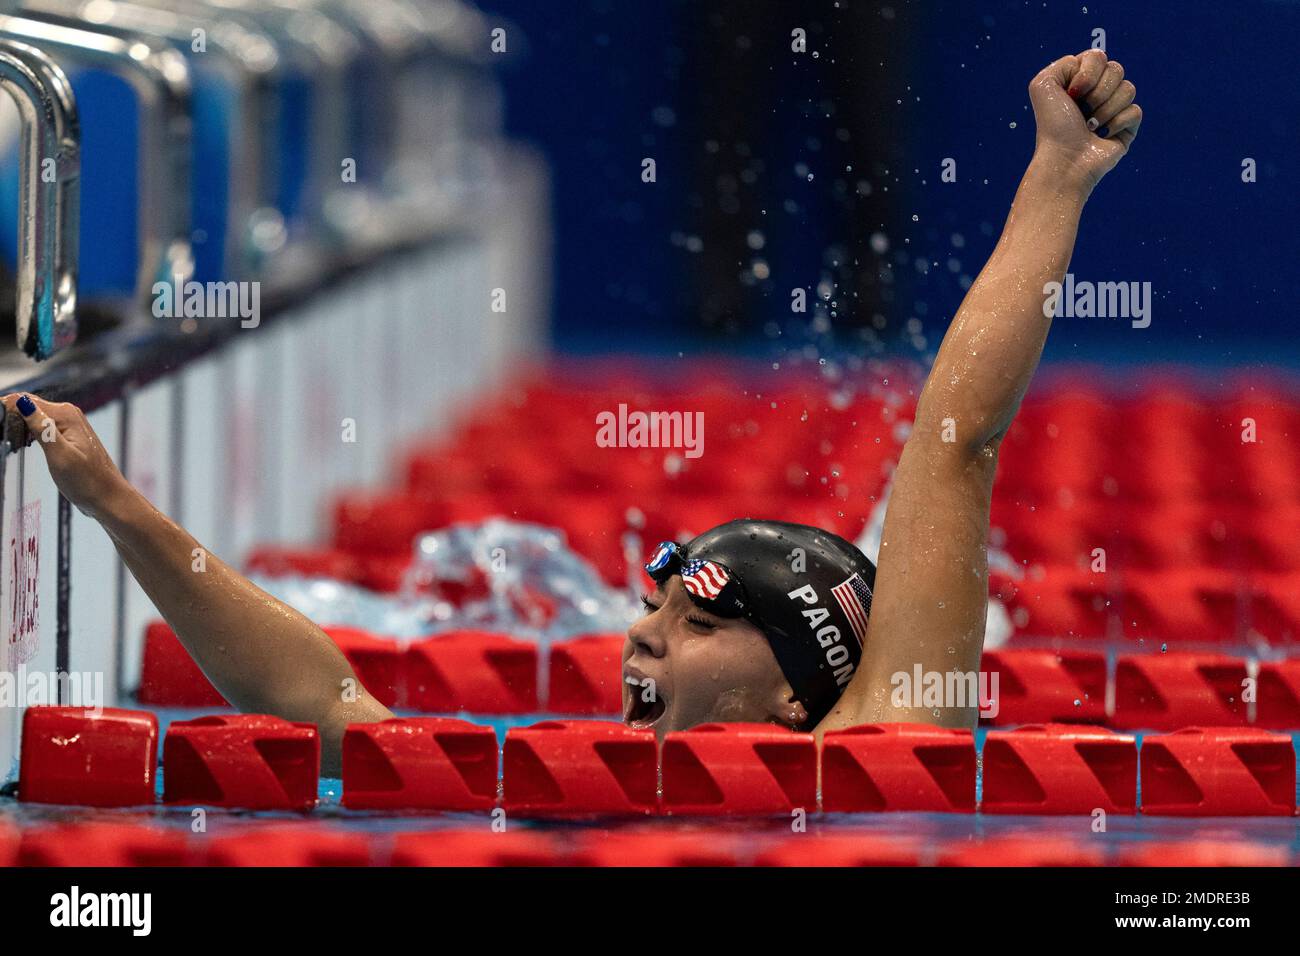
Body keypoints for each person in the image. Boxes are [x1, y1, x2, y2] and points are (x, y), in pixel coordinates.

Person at [2, 50, 1140, 775]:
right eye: (656, 608)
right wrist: (108, 501)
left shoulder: (879, 756)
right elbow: (319, 696)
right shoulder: (569, 777)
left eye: (695, 624)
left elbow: (956, 442)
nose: (639, 635)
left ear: (799, 688)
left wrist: (1056, 175)